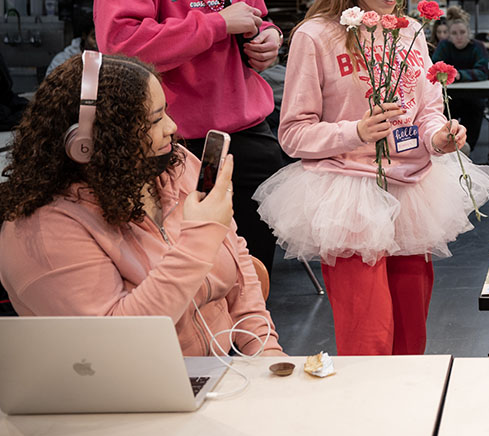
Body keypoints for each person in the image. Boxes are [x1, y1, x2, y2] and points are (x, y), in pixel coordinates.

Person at [252, 0, 489, 356]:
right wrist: (356, 131)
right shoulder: (316, 35)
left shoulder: (410, 33)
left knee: (411, 333)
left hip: (412, 192)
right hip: (350, 197)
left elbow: (425, 111)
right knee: (368, 334)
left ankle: (409, 419)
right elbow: (293, 133)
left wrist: (439, 137)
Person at [0, 52, 283, 357]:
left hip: (220, 372)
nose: (172, 127)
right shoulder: (45, 230)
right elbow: (119, 342)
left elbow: (240, 267)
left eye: (166, 112)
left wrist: (265, 350)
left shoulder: (175, 166)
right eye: (155, 119)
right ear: (87, 142)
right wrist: (200, 239)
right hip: (129, 391)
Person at [94, 0, 285, 275]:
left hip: (247, 134)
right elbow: (121, 43)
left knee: (254, 273)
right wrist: (217, 24)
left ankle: (255, 345)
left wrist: (269, 40)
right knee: (190, 275)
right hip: (177, 140)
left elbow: (254, 16)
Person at [432, 5, 489, 151]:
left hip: (473, 97)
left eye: (462, 32)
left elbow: (482, 72)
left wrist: (460, 75)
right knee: (441, 113)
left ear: (469, 33)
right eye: (454, 33)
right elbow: (435, 66)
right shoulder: (444, 46)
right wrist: (450, 73)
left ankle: (467, 150)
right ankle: (445, 149)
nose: (459, 36)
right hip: (449, 97)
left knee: (475, 109)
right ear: (449, 35)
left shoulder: (478, 47)